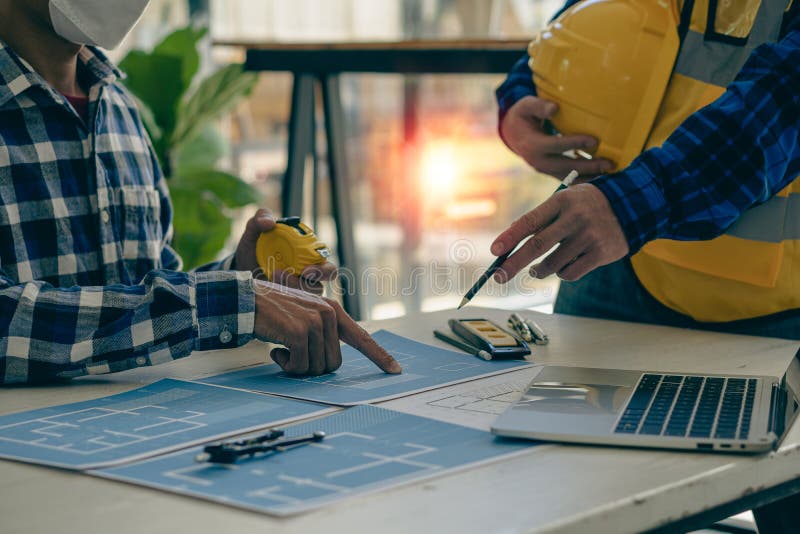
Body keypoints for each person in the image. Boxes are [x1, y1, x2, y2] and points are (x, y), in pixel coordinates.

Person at [0, 0, 402, 385]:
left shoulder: (119, 107)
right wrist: (224, 303)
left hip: (138, 426)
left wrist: (243, 278)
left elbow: (139, 292)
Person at [492, 0, 800, 342]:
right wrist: (519, 96)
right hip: (614, 260)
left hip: (768, 313)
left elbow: (780, 106)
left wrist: (629, 206)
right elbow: (586, 20)